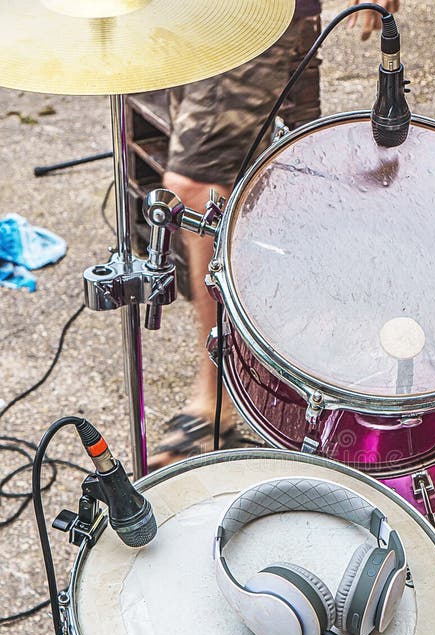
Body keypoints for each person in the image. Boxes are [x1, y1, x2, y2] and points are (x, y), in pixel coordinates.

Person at [149, 0, 399, 470]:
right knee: (280, 174)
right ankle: (282, 383)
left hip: (249, 11)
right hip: (192, 13)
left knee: (198, 186)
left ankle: (220, 392)